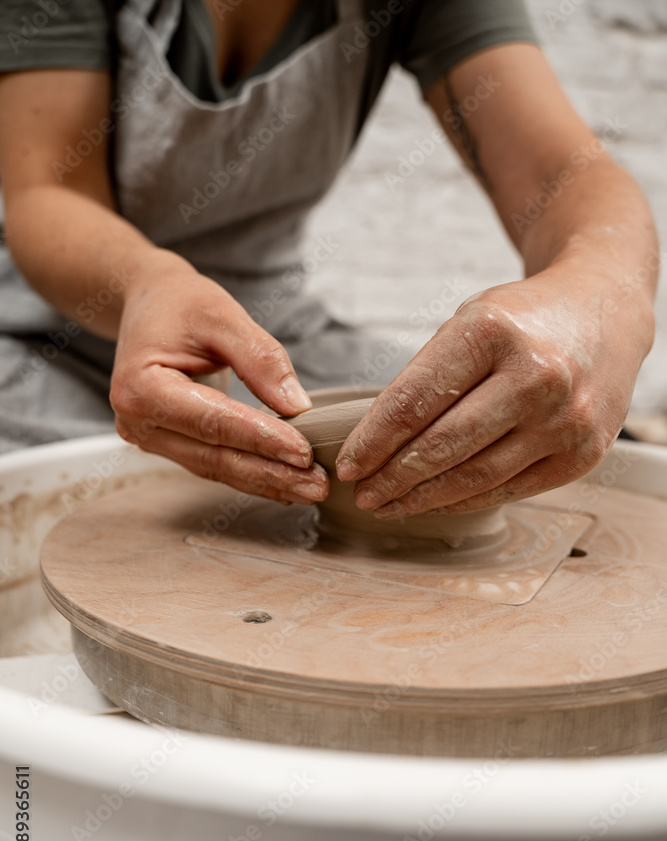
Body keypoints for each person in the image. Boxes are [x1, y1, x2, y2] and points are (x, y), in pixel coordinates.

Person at [0, 0, 658, 518]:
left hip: (271, 338)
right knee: (73, 511)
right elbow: (48, 192)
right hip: (52, 332)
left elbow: (563, 176)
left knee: (499, 434)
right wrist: (149, 283)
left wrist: (600, 295)